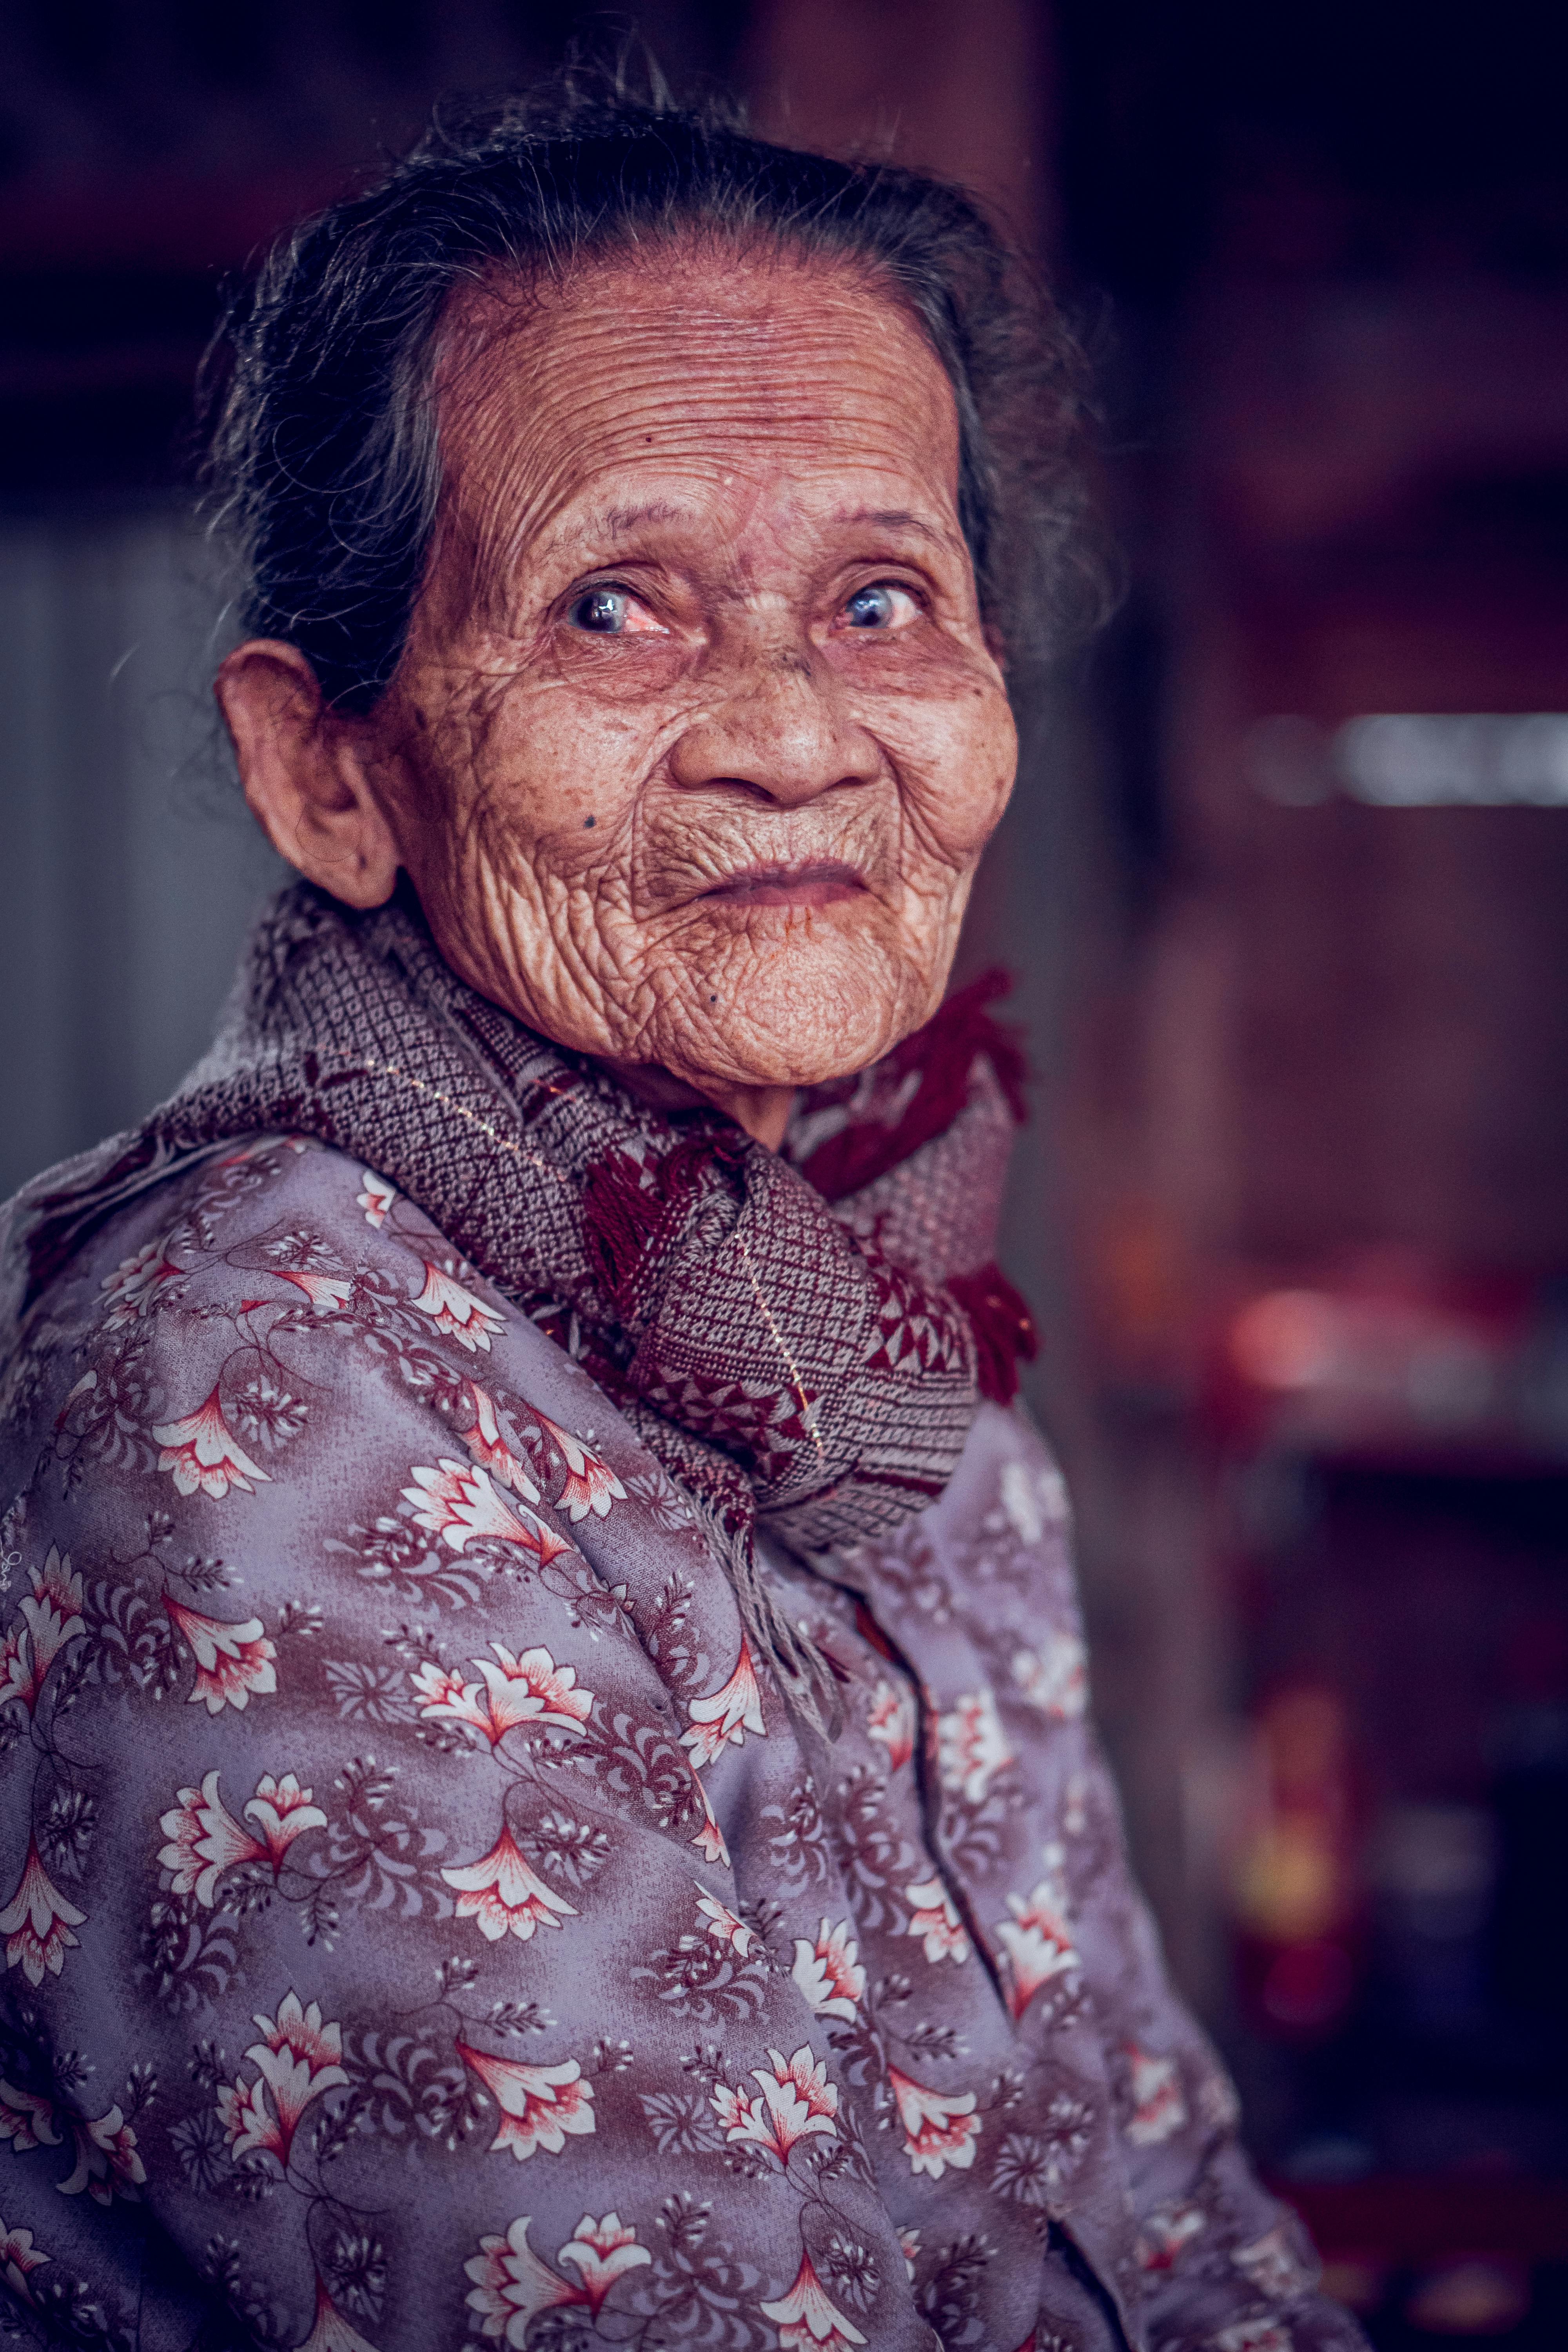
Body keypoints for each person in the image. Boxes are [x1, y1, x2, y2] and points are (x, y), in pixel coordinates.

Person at [0, 76, 1362, 2352]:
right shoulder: (248, 1381)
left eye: (878, 598)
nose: (793, 729)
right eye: (618, 604)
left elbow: (1165, 2207)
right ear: (332, 771)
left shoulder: (892, 1364)